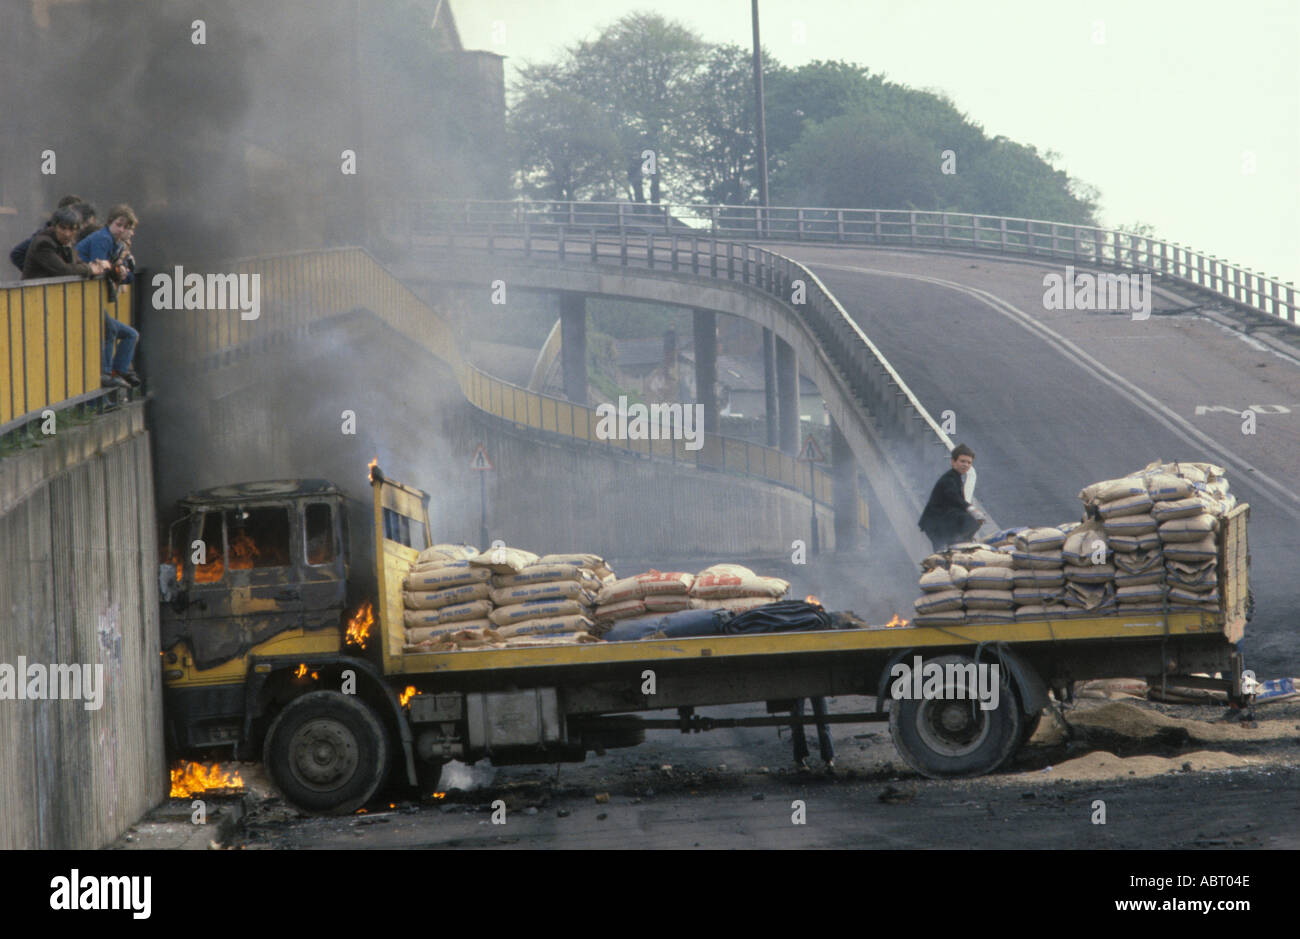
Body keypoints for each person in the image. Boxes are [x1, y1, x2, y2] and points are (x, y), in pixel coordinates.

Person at [78, 204, 141, 388]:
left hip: (94, 297)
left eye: (125, 227)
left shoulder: (116, 244)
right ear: (109, 222)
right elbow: (99, 266)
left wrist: (120, 271)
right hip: (84, 295)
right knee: (110, 330)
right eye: (118, 224)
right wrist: (116, 271)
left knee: (131, 334)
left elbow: (122, 272)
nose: (121, 230)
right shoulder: (103, 239)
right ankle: (106, 373)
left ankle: (118, 370)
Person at [918, 443, 985, 552]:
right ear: (953, 462)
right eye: (962, 461)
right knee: (944, 552)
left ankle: (960, 543)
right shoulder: (948, 479)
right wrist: (970, 508)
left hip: (943, 522)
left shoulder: (956, 478)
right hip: (936, 524)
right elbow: (953, 496)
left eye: (969, 462)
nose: (965, 465)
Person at [20, 207, 110, 280]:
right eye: (62, 228)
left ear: (77, 230)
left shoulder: (68, 243)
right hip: (35, 296)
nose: (67, 234)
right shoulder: (43, 243)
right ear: (54, 226)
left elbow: (76, 265)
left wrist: (97, 265)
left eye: (72, 229)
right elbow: (63, 270)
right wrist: (90, 269)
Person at [9, 194, 87, 272]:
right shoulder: (44, 238)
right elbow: (17, 253)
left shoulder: (73, 234)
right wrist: (38, 272)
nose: (77, 216)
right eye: (74, 212)